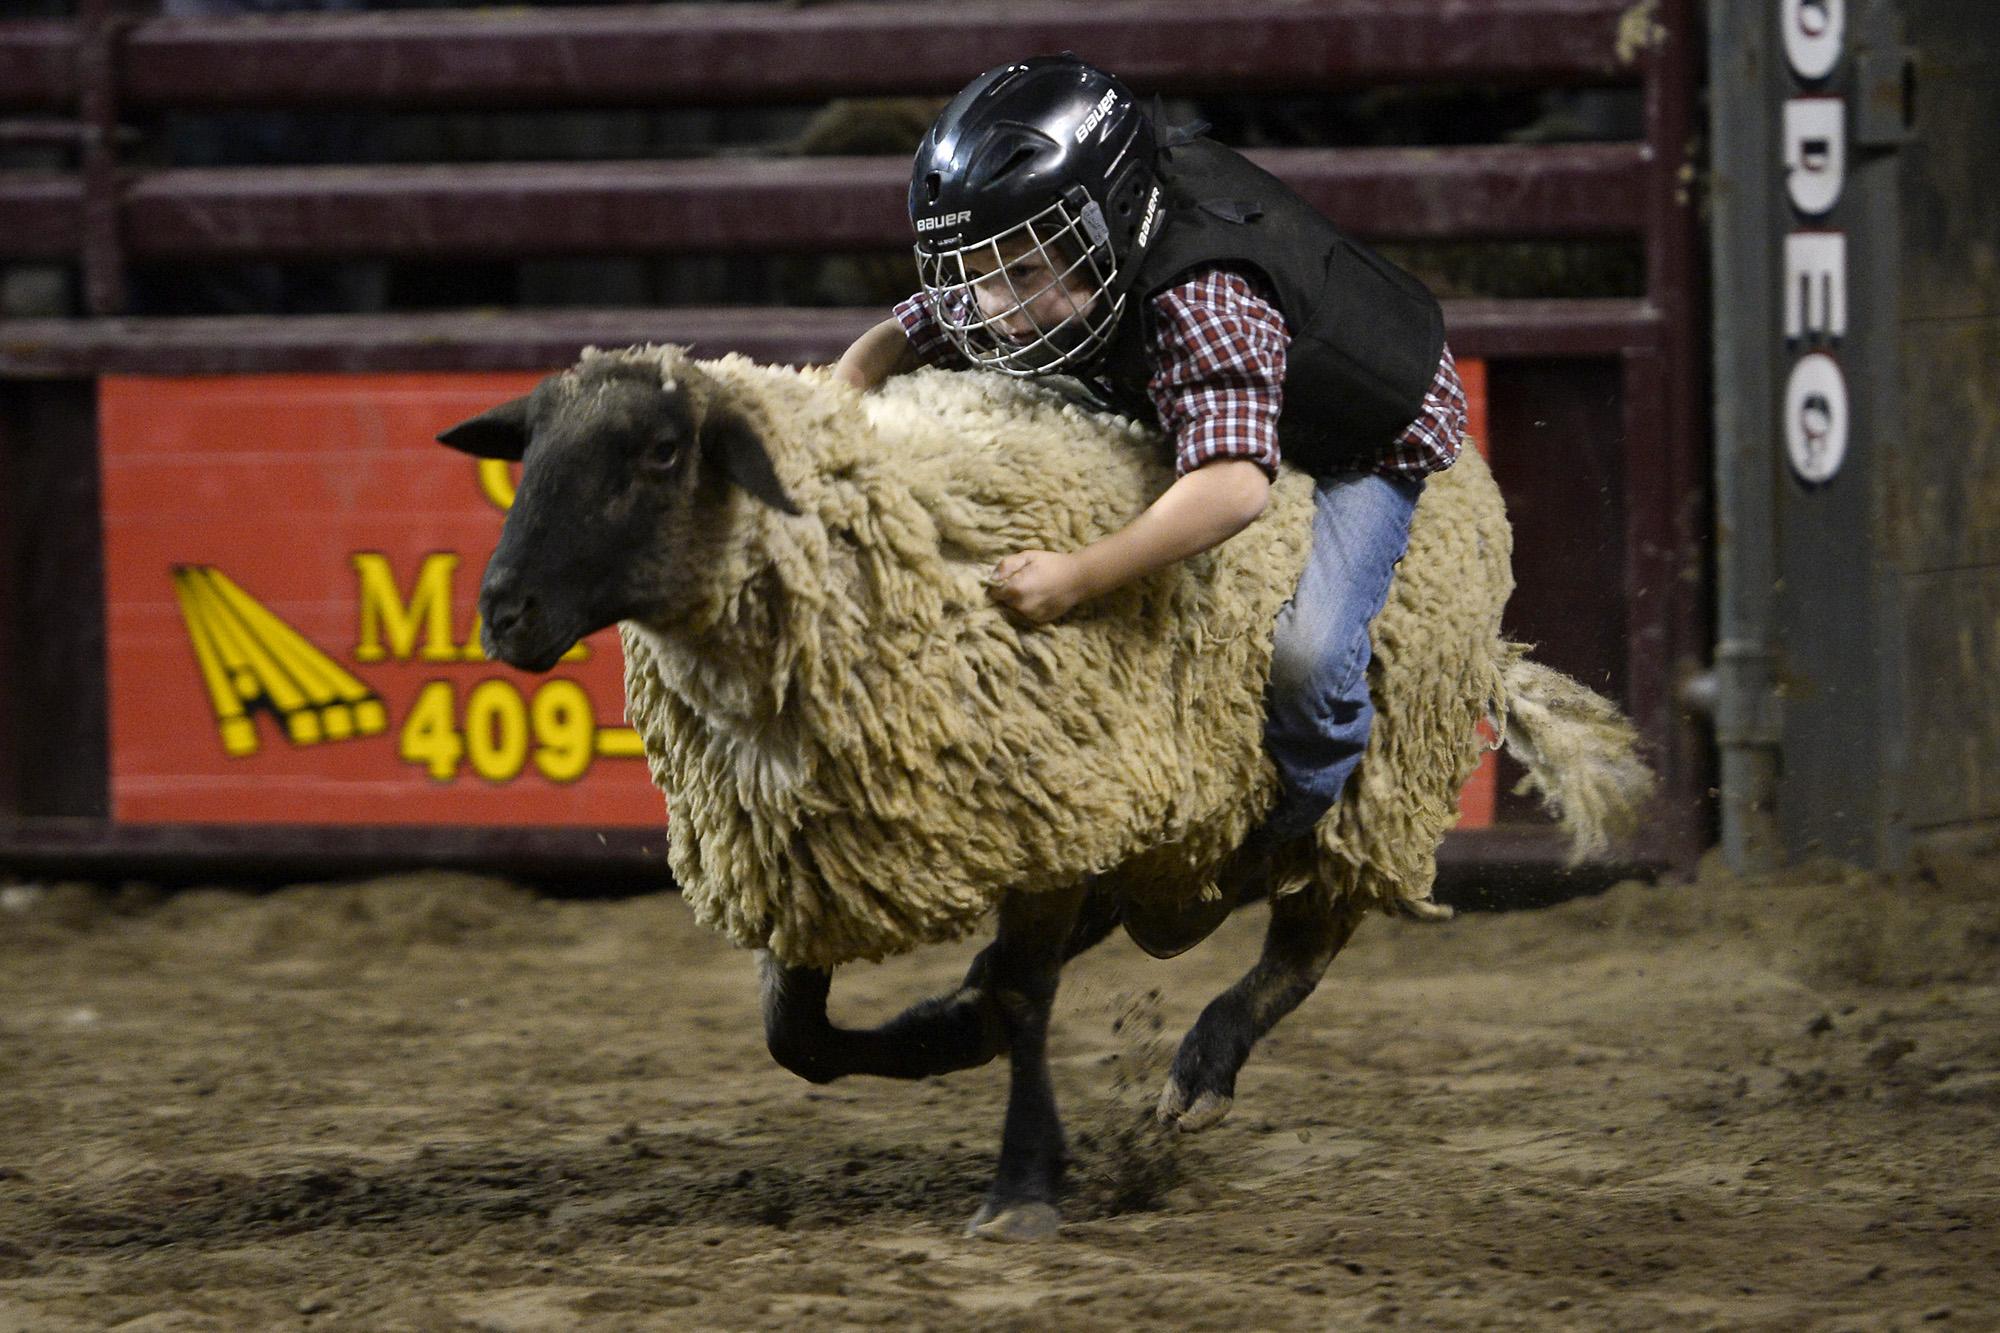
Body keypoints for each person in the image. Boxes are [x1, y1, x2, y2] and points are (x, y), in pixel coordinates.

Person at [833, 54, 1467, 856]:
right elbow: (908, 331)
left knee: (1307, 659)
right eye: (978, 274)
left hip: (1360, 428)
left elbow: (1235, 486)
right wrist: (837, 399)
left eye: (1021, 272)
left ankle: (1302, 806)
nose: (997, 309)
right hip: (1211, 368)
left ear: (1112, 219)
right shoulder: (1041, 248)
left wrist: (1078, 573)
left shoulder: (1202, 297)